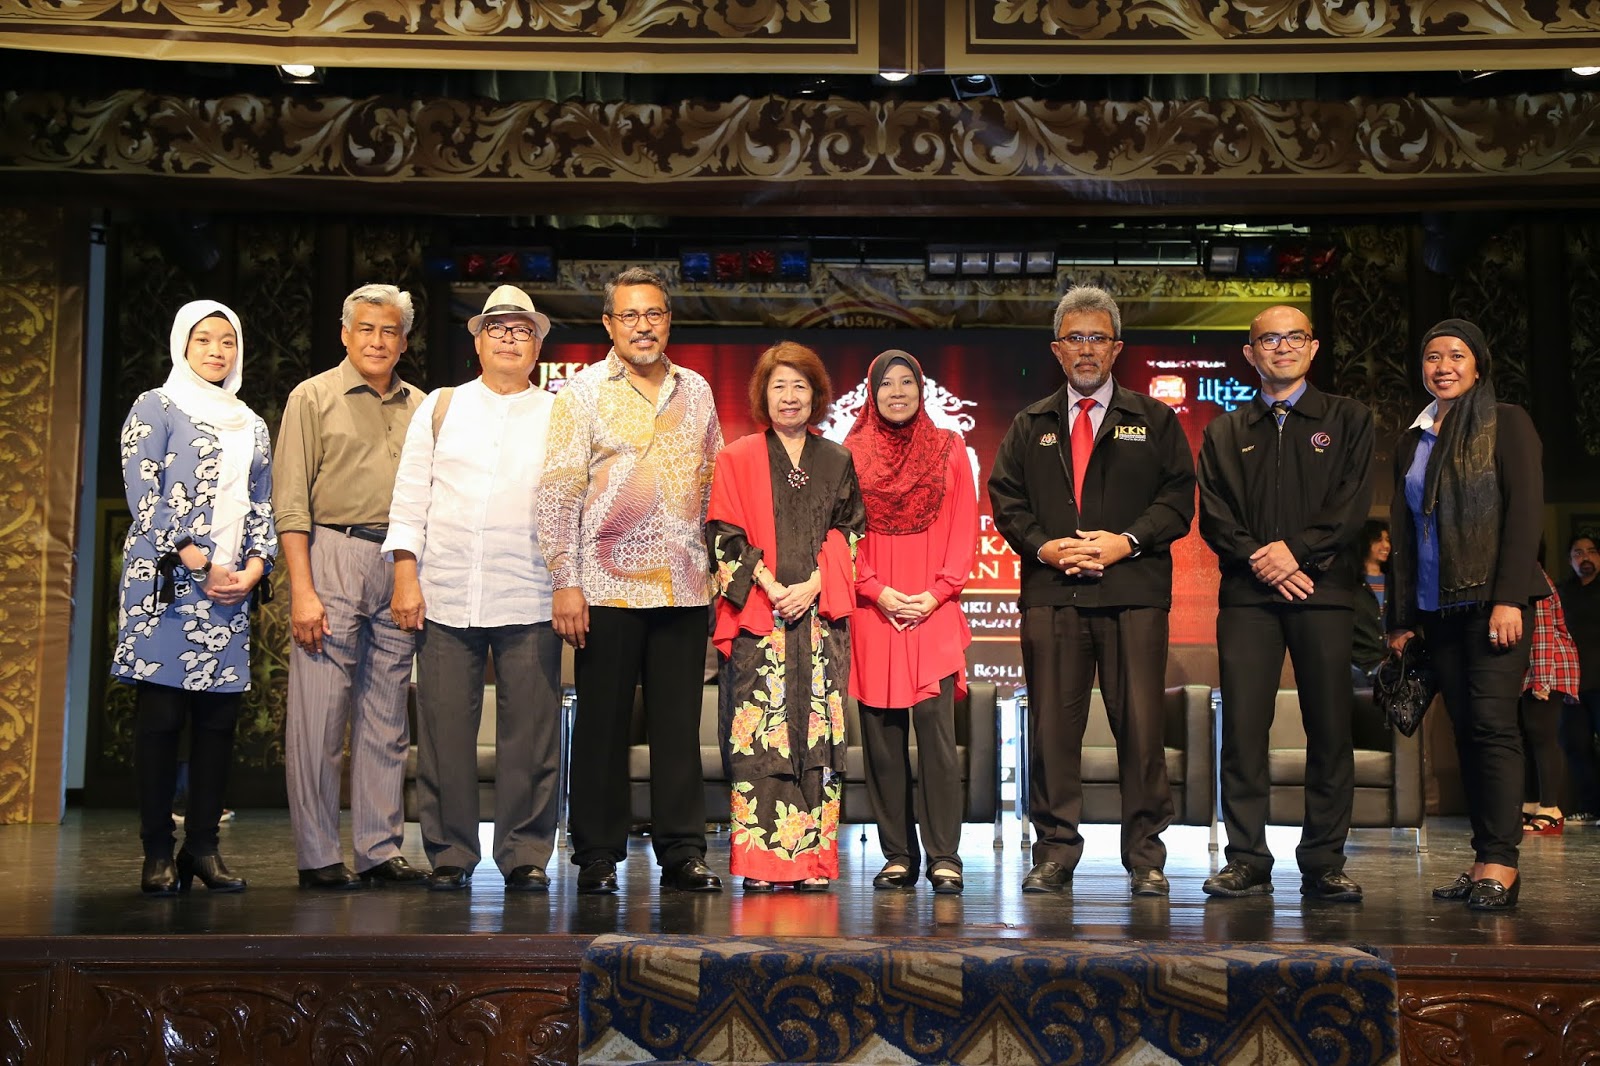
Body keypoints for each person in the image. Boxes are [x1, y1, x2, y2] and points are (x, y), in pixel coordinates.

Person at [988, 285, 1196, 898]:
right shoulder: (1031, 423)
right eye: (1074, 338)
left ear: (1117, 348)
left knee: (1140, 729)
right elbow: (1007, 501)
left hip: (1132, 594)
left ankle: (1146, 857)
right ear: (1057, 349)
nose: (1086, 350)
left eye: (1097, 338)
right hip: (1053, 595)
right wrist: (1044, 546)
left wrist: (1124, 541)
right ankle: (1054, 850)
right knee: (1053, 730)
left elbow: (1177, 502)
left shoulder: (1154, 419)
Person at [538, 266, 725, 895]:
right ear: (609, 324)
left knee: (678, 727)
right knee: (603, 724)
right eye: (629, 315)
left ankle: (683, 851)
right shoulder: (581, 393)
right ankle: (596, 854)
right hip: (605, 586)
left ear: (668, 320)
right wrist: (565, 580)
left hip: (682, 585)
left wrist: (719, 569)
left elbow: (713, 487)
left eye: (653, 314)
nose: (642, 326)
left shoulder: (696, 390)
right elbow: (559, 491)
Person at [383, 285, 561, 892]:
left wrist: (571, 583)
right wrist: (406, 574)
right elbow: (410, 497)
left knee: (533, 734)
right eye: (498, 329)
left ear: (538, 346)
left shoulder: (559, 414)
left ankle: (527, 852)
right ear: (478, 341)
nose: (510, 339)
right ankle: (451, 851)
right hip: (447, 590)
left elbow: (572, 505)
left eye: (522, 331)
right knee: (443, 731)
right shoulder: (441, 405)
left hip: (532, 591)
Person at [1198, 304, 1373, 903]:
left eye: (1293, 337)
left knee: (1330, 728)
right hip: (1248, 597)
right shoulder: (1226, 430)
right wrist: (1262, 560)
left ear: (1313, 347)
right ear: (1250, 354)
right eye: (1268, 339)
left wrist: (1296, 553)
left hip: (1323, 594)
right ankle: (1247, 858)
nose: (1281, 347)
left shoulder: (1349, 419)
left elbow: (1351, 508)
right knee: (1244, 729)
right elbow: (1216, 517)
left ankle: (1324, 861)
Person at [113, 300, 276, 895]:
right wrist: (195, 559)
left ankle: (202, 849)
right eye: (204, 339)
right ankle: (157, 851)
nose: (216, 351)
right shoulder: (155, 406)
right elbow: (142, 488)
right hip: (170, 585)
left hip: (230, 591)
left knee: (218, 722)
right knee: (160, 719)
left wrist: (256, 565)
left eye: (227, 342)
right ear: (182, 344)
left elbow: (263, 501)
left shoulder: (251, 422)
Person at [1387, 318, 1545, 911]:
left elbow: (1525, 514)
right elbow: (1403, 536)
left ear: (1478, 364)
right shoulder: (1414, 437)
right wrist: (1400, 619)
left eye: (1456, 355)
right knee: (1465, 736)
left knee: (1492, 729)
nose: (1443, 366)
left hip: (1491, 605)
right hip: (1436, 611)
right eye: (1432, 356)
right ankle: (1482, 857)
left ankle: (1502, 862)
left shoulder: (1508, 422)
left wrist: (1508, 596)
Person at [275, 283, 427, 890]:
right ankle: (317, 854)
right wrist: (302, 590)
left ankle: (378, 848)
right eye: (366, 328)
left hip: (399, 560)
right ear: (345, 334)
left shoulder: (423, 406)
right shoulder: (312, 398)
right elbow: (289, 503)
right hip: (330, 551)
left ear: (404, 341)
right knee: (319, 714)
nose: (377, 340)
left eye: (389, 331)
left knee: (386, 715)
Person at [707, 341, 864, 892]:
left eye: (800, 386)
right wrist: (774, 588)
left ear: (816, 395)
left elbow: (851, 532)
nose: (790, 396)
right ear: (763, 396)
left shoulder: (837, 459)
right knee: (761, 740)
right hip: (761, 620)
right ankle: (762, 865)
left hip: (820, 622)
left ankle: (814, 862)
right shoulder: (737, 456)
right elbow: (723, 536)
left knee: (817, 736)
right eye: (779, 386)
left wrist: (816, 585)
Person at [844, 351, 977, 895]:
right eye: (886, 384)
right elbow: (840, 535)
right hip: (875, 611)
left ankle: (945, 855)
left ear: (922, 390)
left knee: (938, 739)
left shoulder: (949, 448)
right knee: (881, 743)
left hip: (933, 610)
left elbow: (965, 525)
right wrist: (878, 591)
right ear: (871, 393)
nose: (897, 392)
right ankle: (897, 854)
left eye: (907, 382)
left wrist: (936, 593)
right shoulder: (847, 454)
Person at [1520, 555, 1579, 835]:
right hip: (1529, 669)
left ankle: (1551, 807)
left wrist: (1542, 681)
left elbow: (1543, 632)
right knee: (1527, 736)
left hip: (1549, 666)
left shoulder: (1533, 577)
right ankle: (1531, 803)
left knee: (1542, 736)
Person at [1558, 533, 1600, 823]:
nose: (1585, 557)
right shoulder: (1562, 592)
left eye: (1591, 551)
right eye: (1577, 553)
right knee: (1576, 746)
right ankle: (1591, 806)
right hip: (1572, 683)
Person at [1351, 520, 1390, 684]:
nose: (1386, 545)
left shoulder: (1393, 583)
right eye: (1379, 540)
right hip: (1356, 667)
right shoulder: (1351, 583)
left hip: (1388, 667)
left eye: (1388, 540)